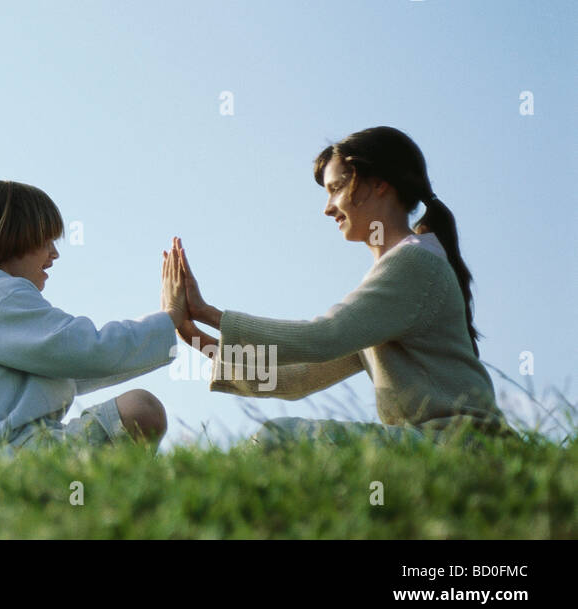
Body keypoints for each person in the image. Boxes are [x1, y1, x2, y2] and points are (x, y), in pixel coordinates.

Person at [165, 125, 513, 448]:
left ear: (379, 184)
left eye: (335, 189)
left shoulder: (414, 262)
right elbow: (298, 377)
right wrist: (193, 334)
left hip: (462, 445)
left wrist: (208, 313)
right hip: (429, 442)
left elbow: (324, 336)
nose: (328, 208)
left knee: (278, 441)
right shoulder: (398, 272)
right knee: (278, 442)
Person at [0, 179, 182, 463]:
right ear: (10, 237)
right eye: (45, 241)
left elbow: (73, 366)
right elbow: (87, 350)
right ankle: (113, 500)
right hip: (7, 459)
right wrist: (169, 319)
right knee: (141, 409)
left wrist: (164, 331)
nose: (54, 254)